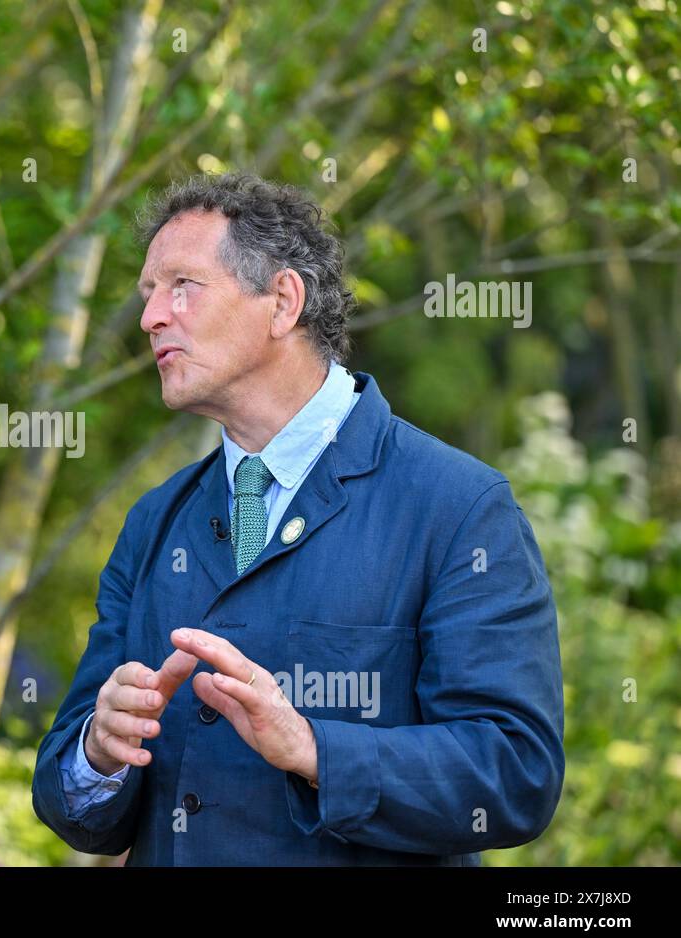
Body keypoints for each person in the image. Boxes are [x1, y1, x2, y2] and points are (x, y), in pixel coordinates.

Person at [31, 171, 564, 865]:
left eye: (182, 287)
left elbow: (515, 774)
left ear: (282, 302)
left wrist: (314, 749)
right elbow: (70, 801)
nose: (151, 316)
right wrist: (98, 752)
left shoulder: (459, 508)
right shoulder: (154, 521)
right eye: (147, 295)